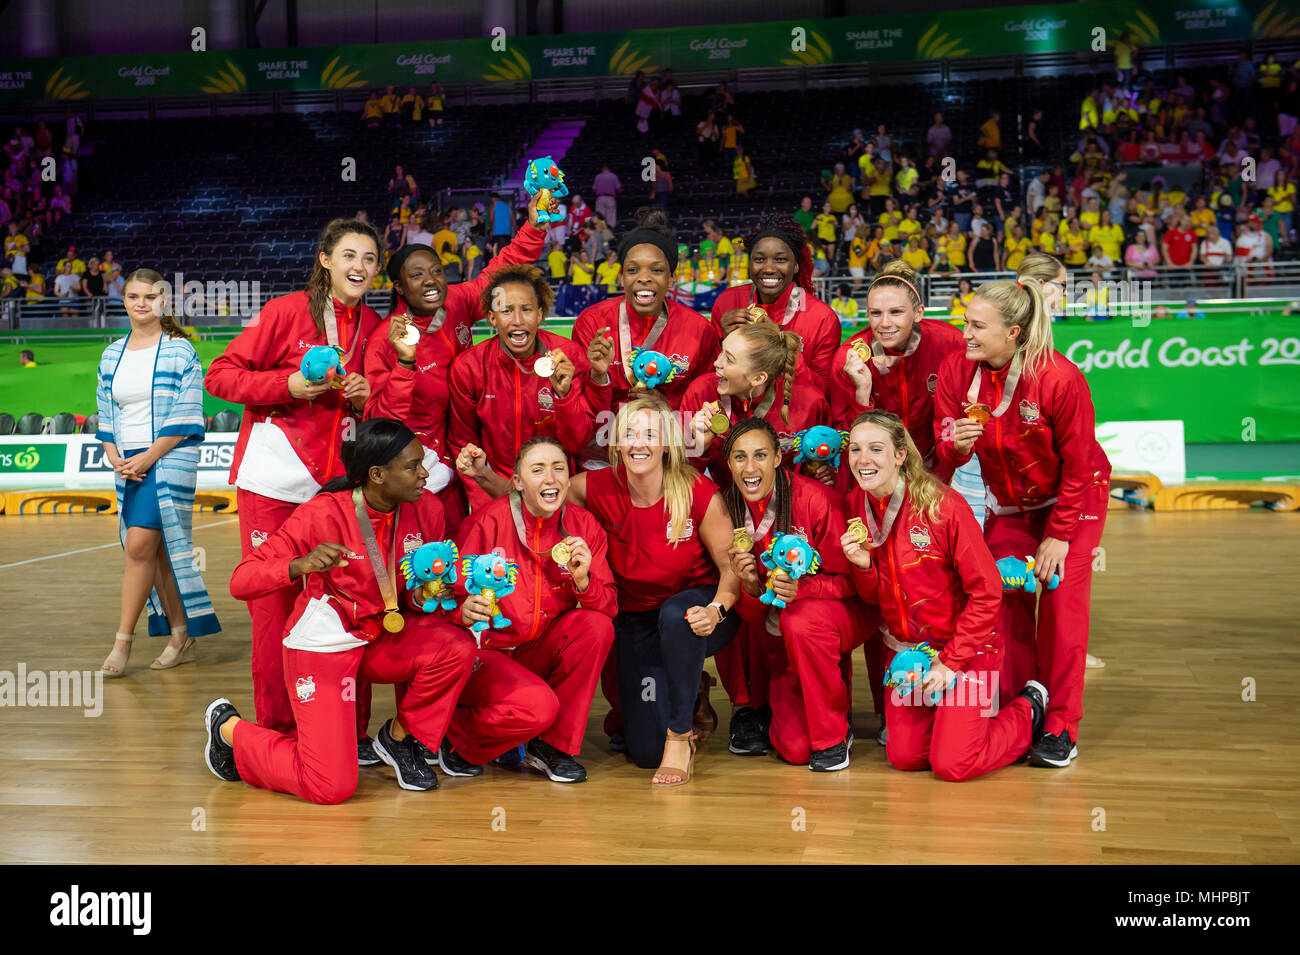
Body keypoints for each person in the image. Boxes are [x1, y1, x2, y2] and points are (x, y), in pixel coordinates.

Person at [203, 419, 478, 802]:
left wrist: (434, 593)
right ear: (377, 474)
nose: (424, 474)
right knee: (331, 787)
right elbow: (242, 581)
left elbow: (411, 587)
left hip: (381, 638)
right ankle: (229, 730)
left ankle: (400, 739)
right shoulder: (323, 514)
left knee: (456, 647)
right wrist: (300, 565)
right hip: (325, 647)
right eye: (412, 467)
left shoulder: (427, 509)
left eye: (422, 464)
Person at [206, 217, 389, 742]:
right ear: (326, 260)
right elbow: (218, 375)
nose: (360, 266)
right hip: (275, 483)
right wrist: (286, 384)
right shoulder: (286, 311)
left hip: (338, 490)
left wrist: (363, 393)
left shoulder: (373, 324)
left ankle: (349, 732)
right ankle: (278, 734)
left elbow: (378, 400)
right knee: (273, 611)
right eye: (349, 255)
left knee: (348, 606)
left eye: (369, 259)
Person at [934, 276, 1111, 768]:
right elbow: (944, 447)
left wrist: (1058, 535)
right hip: (1011, 506)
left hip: (1075, 500)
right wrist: (959, 445)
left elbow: (1078, 465)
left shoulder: (1058, 377)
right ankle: (1021, 707)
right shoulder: (956, 370)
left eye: (976, 325)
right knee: (999, 595)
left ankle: (1061, 725)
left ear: (1013, 333)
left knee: (1059, 602)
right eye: (964, 321)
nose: (964, 332)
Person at [842, 410, 1048, 780]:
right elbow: (874, 599)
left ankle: (1028, 709)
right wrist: (861, 565)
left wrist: (951, 662)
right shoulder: (858, 505)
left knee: (954, 765)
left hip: (966, 653)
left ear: (900, 455)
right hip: (910, 657)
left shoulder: (942, 506)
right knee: (905, 757)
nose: (863, 460)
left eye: (875, 448)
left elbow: (987, 592)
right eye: (855, 449)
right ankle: (954, 723)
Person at [568, 395, 741, 783]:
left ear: (667, 443)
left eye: (650, 434)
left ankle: (680, 734)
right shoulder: (595, 487)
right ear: (616, 444)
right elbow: (543, 496)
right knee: (645, 752)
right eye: (628, 433)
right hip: (637, 620)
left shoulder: (697, 492)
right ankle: (692, 689)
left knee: (676, 617)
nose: (638, 443)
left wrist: (716, 611)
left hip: (699, 612)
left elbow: (731, 571)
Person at [364, 194, 550, 537]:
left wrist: (535, 226)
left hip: (465, 451)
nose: (431, 280)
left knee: (469, 544)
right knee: (421, 556)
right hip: (422, 463)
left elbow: (501, 271)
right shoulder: (384, 340)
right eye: (417, 275)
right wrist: (406, 361)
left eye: (436, 271)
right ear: (399, 286)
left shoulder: (459, 301)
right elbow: (380, 419)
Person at [446, 436, 618, 782]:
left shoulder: (584, 526)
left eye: (558, 469)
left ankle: (551, 747)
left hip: (537, 650)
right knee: (540, 707)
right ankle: (453, 736)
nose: (550, 478)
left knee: (596, 627)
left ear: (569, 479)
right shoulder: (485, 523)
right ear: (518, 482)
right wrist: (461, 611)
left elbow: (608, 605)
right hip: (489, 654)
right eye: (537, 470)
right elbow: (449, 599)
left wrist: (583, 581)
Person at [722, 418, 873, 769]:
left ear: (778, 457)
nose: (750, 467)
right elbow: (753, 613)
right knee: (794, 749)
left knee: (802, 621)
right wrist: (749, 587)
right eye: (739, 457)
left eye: (760, 455)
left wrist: (803, 588)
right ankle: (761, 709)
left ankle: (835, 732)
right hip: (779, 629)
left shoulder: (817, 500)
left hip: (837, 613)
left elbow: (855, 583)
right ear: (728, 463)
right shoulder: (725, 507)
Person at [96, 269, 221, 677]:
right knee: (158, 551)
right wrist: (115, 455)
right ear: (125, 300)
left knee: (137, 547)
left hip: (166, 459)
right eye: (133, 296)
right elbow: (106, 411)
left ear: (163, 301)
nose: (141, 303)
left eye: (150, 296)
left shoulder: (180, 351)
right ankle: (181, 633)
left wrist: (148, 457)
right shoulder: (111, 354)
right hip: (127, 463)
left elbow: (187, 415)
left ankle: (122, 643)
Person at [449, 264, 595, 511]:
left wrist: (564, 395)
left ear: (539, 314)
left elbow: (578, 443)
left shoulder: (568, 356)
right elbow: (463, 444)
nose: (517, 321)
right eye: (506, 311)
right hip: (494, 490)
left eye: (526, 310)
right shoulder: (469, 366)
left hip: (556, 490)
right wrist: (493, 502)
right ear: (492, 318)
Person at [574, 207, 720, 422]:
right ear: (621, 277)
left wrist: (666, 405)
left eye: (657, 270)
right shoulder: (592, 323)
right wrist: (598, 376)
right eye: (632, 270)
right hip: (605, 442)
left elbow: (708, 400)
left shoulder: (699, 330)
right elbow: (580, 407)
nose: (644, 278)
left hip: (672, 442)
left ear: (671, 278)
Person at [830, 260, 965, 471]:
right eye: (875, 313)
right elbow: (845, 440)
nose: (884, 323)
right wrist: (862, 395)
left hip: (937, 464)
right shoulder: (851, 359)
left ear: (919, 312)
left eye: (896, 312)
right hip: (878, 470)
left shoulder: (949, 342)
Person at [682, 314, 831, 486]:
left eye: (729, 359)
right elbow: (681, 478)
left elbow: (825, 462)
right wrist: (697, 448)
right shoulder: (700, 392)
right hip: (724, 502)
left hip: (789, 500)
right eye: (721, 351)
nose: (716, 362)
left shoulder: (810, 403)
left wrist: (822, 473)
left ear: (759, 378)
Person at [710, 214, 842, 389]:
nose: (769, 268)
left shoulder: (822, 318)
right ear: (750, 264)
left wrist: (782, 344)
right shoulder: (727, 302)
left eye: (780, 259)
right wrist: (723, 341)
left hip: (792, 413)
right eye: (759, 259)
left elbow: (823, 389)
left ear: (796, 266)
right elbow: (710, 377)